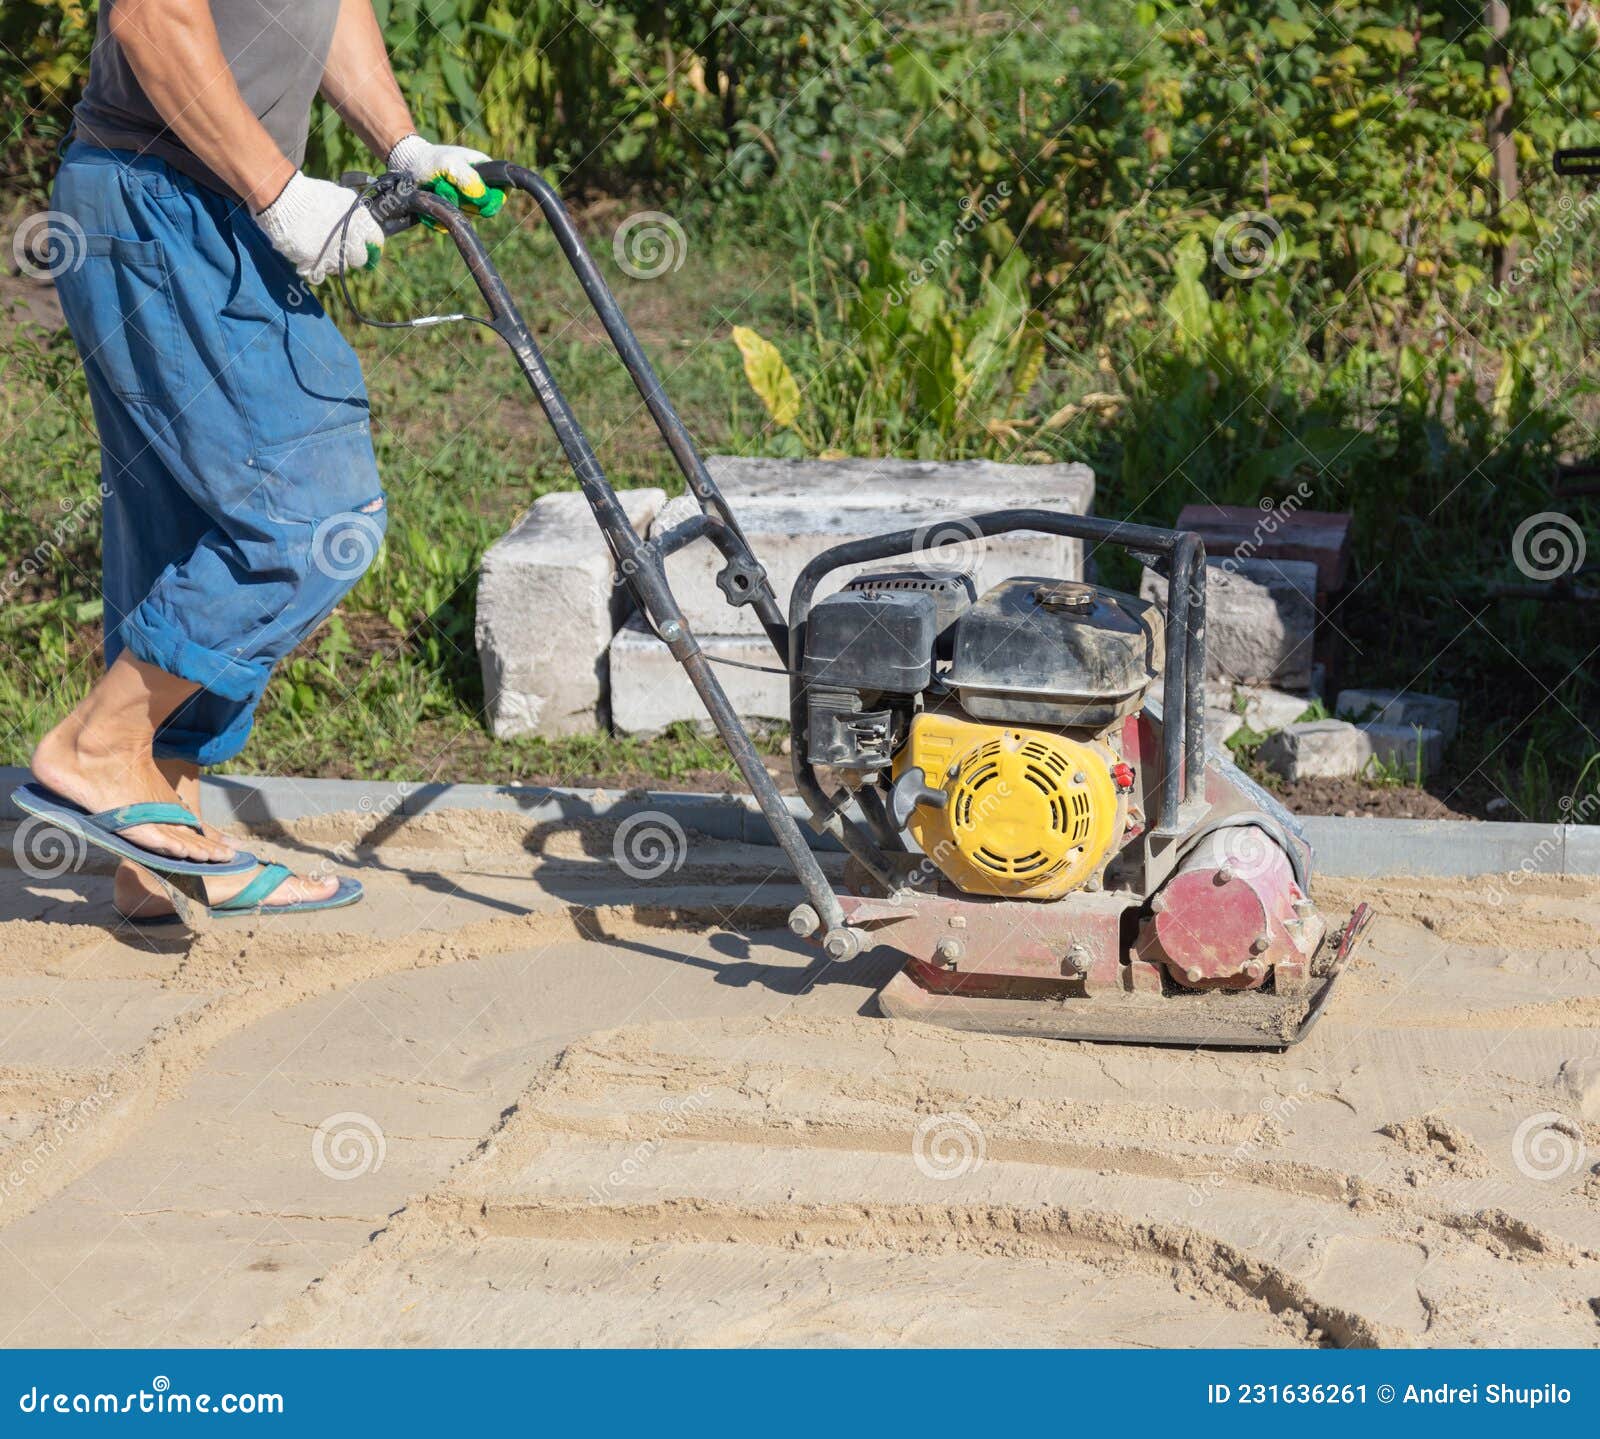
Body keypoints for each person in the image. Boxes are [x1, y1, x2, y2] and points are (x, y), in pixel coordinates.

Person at [20, 0, 493, 921]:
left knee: (188, 523)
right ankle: (98, 745)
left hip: (195, 202)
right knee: (313, 517)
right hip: (161, 195)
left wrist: (405, 144)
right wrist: (281, 188)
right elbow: (154, 20)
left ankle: (159, 828)